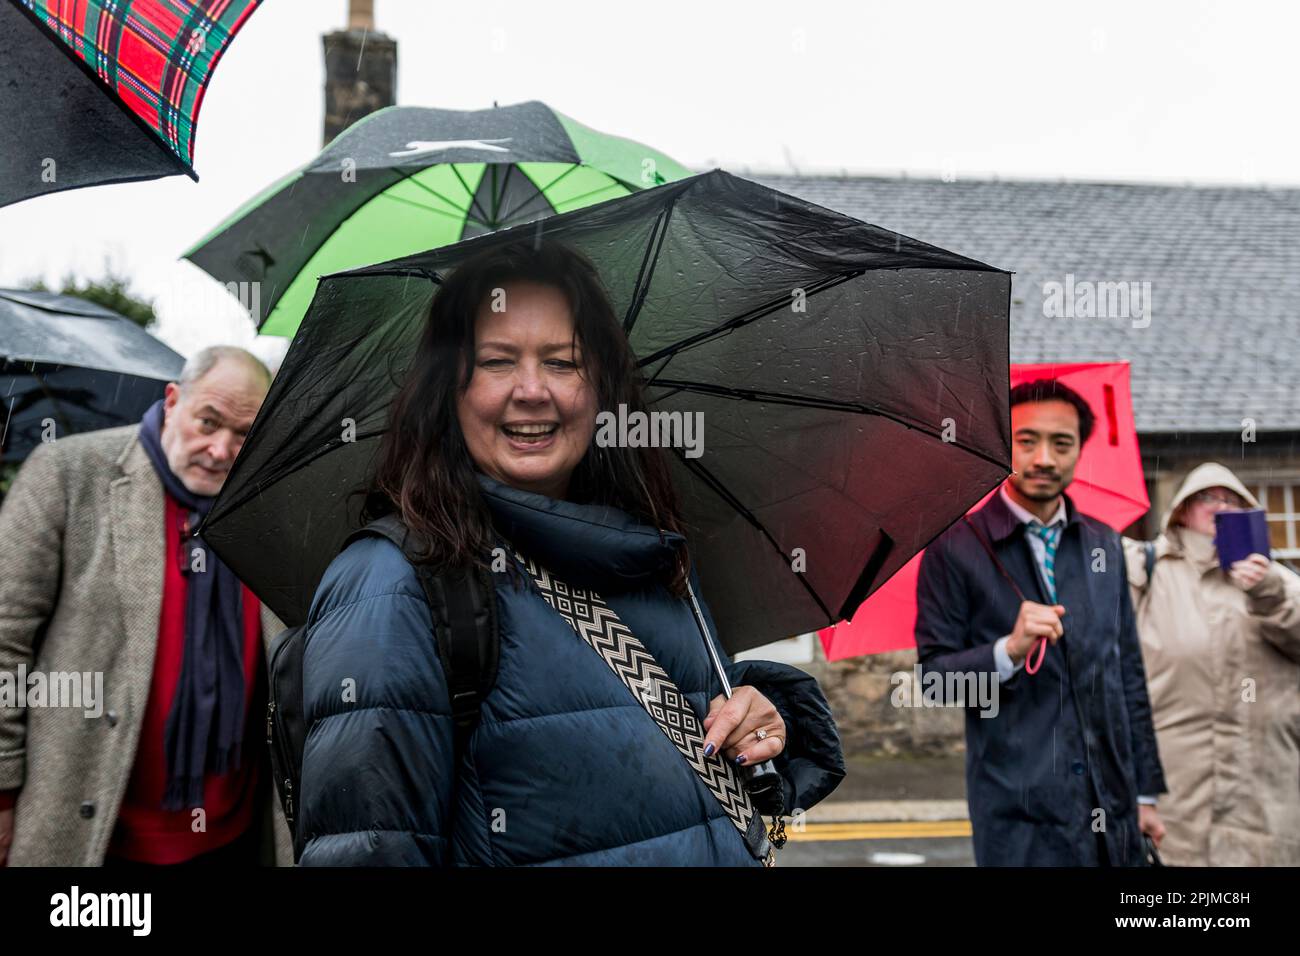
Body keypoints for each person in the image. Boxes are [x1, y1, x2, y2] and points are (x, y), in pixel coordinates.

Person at [297, 240, 845, 866]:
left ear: (601, 390)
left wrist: (762, 722)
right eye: (497, 362)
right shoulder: (394, 582)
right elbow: (371, 852)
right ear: (447, 390)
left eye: (562, 362)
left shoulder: (653, 555)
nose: (533, 391)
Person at [0, 346, 293, 866]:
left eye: (244, 433)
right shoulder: (69, 473)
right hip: (91, 827)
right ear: (174, 399)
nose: (222, 449)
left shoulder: (271, 507)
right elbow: (5, 638)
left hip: (235, 838)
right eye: (209, 421)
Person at [914, 378, 1166, 866]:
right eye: (1026, 441)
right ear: (1005, 445)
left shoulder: (1103, 545)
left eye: (1061, 443)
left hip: (1111, 808)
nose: (1044, 457)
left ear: (1078, 451)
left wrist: (1146, 795)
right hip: (1020, 814)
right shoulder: (955, 548)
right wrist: (1006, 651)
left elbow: (1128, 676)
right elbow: (936, 682)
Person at [1123, 463, 1300, 865]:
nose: (1220, 506)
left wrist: (1268, 593)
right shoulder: (1146, 571)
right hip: (1176, 788)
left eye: (1231, 499)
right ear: (1182, 509)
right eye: (1207, 498)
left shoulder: (1278, 580)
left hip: (1265, 790)